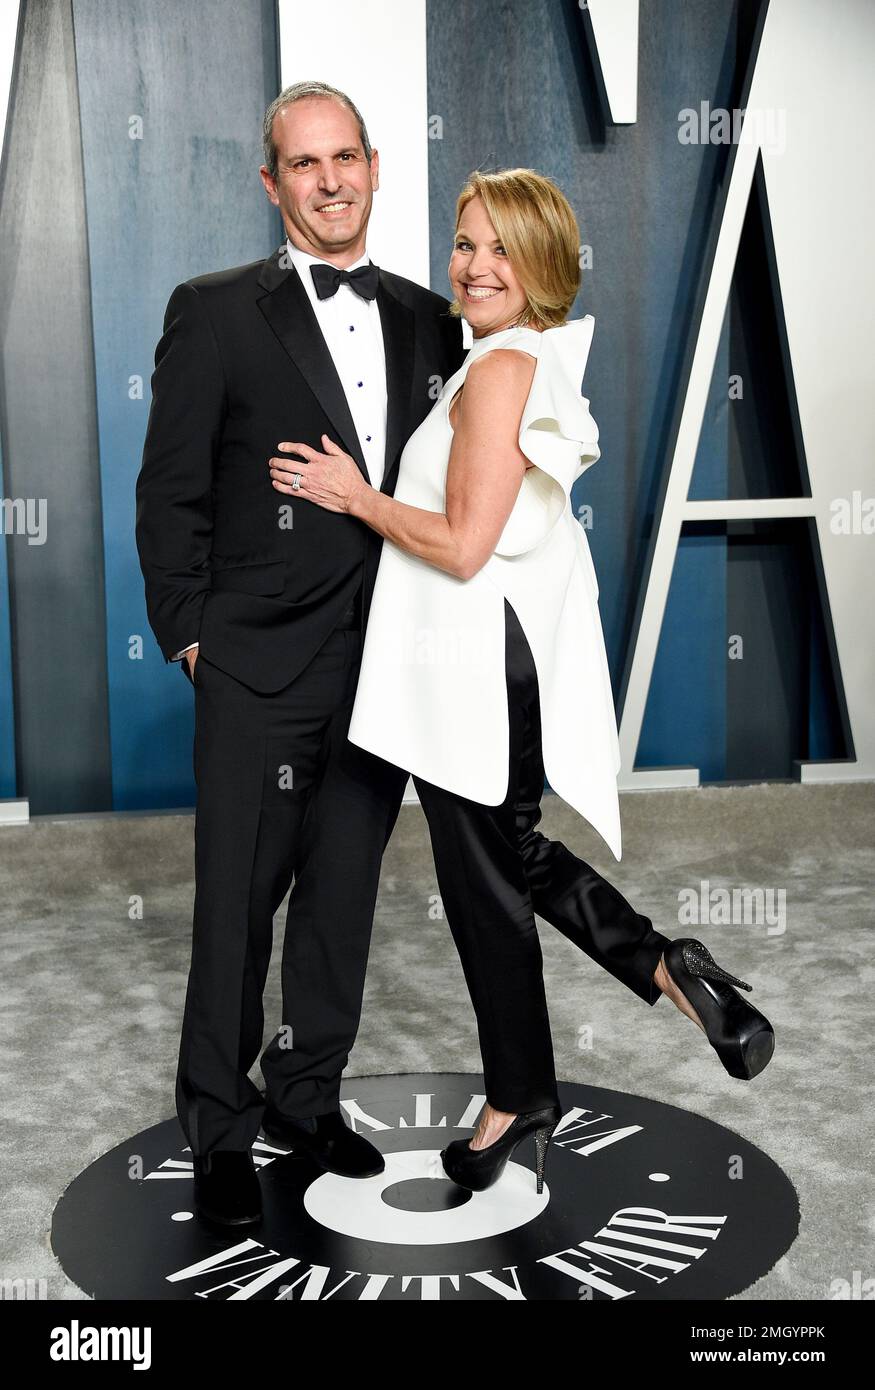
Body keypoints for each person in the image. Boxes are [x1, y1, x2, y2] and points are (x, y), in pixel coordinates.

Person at [268, 167, 776, 1197]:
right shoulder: (509, 362)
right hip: (478, 660)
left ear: (542, 264)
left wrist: (352, 496)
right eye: (463, 243)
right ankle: (661, 975)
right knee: (513, 860)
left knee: (486, 886)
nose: (474, 264)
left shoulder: (502, 371)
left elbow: (460, 546)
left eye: (499, 247)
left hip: (469, 663)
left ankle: (522, 1092)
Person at [135, 80, 464, 1227]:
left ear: (373, 166)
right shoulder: (216, 310)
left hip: (387, 666)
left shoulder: (432, 319)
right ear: (270, 184)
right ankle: (218, 1126)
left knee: (340, 901)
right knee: (236, 909)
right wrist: (190, 640)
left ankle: (305, 1093)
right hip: (255, 670)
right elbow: (169, 490)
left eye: (346, 159)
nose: (329, 181)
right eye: (304, 164)